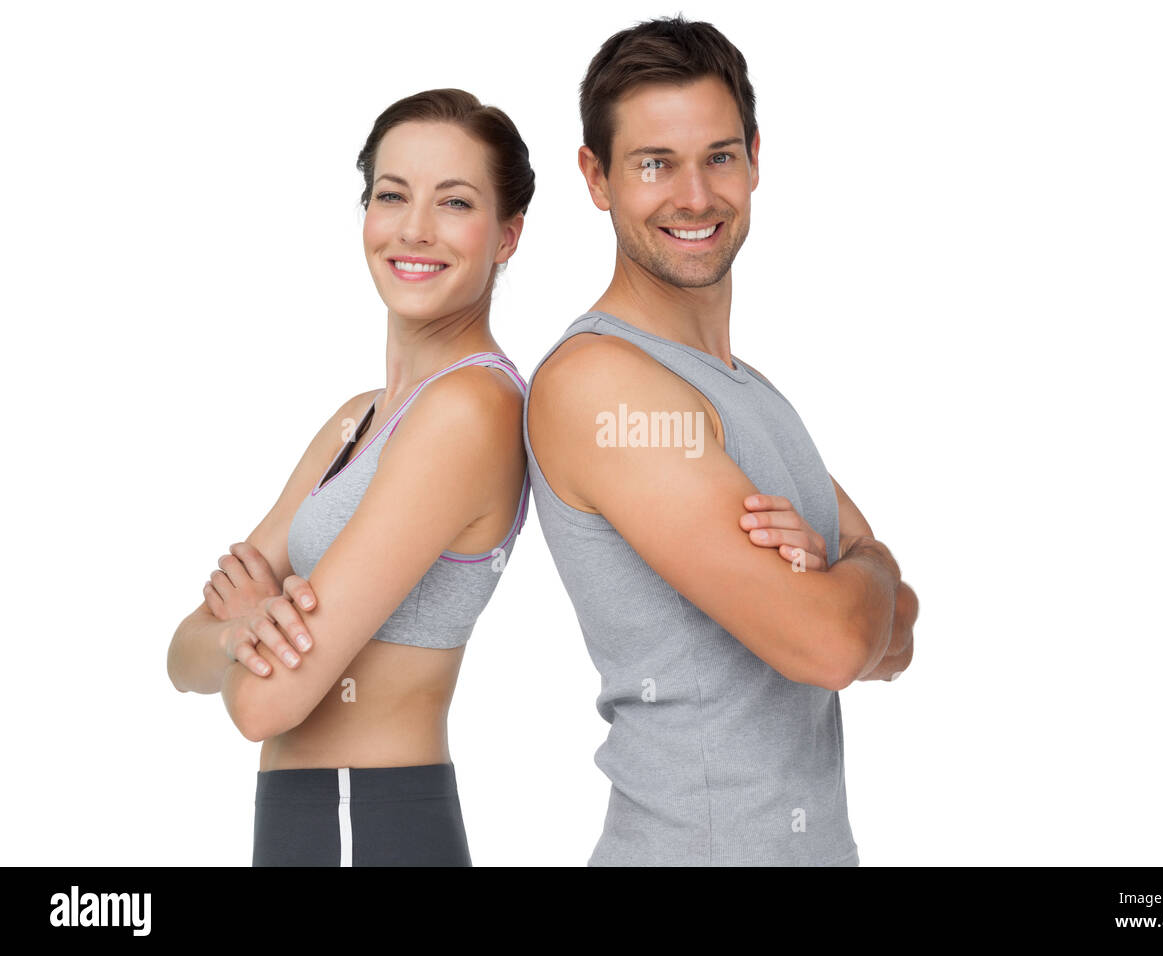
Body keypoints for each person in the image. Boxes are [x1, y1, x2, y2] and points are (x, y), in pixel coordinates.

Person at [524, 16, 919, 866]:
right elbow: (835, 644)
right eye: (654, 164)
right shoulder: (599, 383)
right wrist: (868, 567)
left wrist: (860, 583)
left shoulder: (753, 394)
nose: (695, 197)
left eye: (719, 156)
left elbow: (901, 640)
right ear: (595, 177)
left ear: (755, 157)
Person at [166, 88, 535, 866]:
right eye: (391, 195)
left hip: (369, 820)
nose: (414, 229)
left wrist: (247, 627)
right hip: (314, 820)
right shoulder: (358, 418)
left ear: (507, 235)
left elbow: (267, 703)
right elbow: (180, 655)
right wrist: (240, 631)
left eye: (455, 202)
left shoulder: (471, 409)